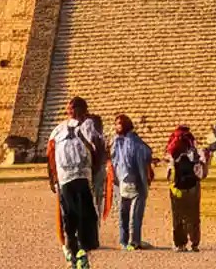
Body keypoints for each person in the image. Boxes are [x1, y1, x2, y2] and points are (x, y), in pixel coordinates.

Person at [48, 97, 102, 268]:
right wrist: (53, 178)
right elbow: (50, 154)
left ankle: (83, 251)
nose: (71, 111)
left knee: (86, 216)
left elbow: (98, 149)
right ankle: (72, 250)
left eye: (74, 108)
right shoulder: (58, 129)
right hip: (65, 178)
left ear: (83, 109)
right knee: (69, 216)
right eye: (69, 108)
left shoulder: (90, 125)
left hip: (83, 177)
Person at [107, 114, 153, 250]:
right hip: (133, 182)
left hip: (124, 181)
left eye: (118, 124)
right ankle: (133, 241)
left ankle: (125, 240)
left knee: (125, 214)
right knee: (133, 215)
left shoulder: (118, 142)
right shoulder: (134, 142)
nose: (116, 127)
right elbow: (147, 154)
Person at [165, 125, 208, 253]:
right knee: (193, 215)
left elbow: (168, 174)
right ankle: (194, 243)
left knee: (177, 216)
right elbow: (202, 174)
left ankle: (180, 244)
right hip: (193, 187)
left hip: (176, 188)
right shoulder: (196, 152)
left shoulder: (172, 153)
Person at [86, 113, 109, 221]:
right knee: (97, 200)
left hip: (96, 172)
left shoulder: (97, 138)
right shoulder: (99, 138)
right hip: (97, 171)